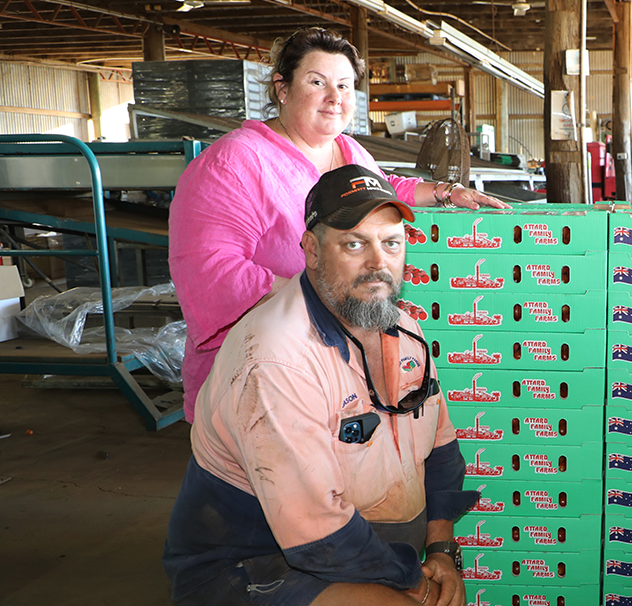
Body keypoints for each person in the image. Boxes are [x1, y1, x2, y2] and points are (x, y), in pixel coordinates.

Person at [71, 165, 477, 606]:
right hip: (249, 564)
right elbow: (317, 538)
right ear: (310, 249)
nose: (376, 262)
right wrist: (413, 580)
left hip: (343, 549)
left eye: (391, 243)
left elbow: (441, 456)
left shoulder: (401, 331)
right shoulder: (278, 356)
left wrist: (441, 548)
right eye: (353, 244)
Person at [169, 26, 509, 422]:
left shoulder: (348, 151)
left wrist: (446, 191)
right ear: (283, 88)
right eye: (318, 82)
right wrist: (326, 302)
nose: (335, 98)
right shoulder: (233, 164)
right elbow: (210, 272)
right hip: (257, 377)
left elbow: (382, 187)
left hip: (337, 375)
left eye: (345, 86)